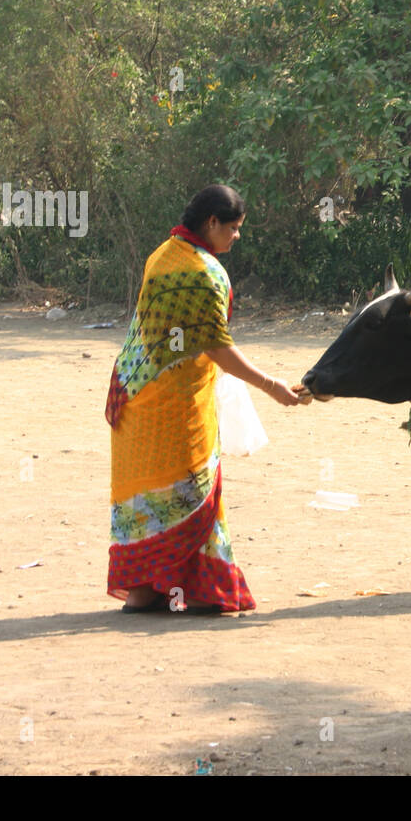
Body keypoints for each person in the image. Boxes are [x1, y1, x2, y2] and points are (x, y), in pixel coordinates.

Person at [104, 184, 309, 614]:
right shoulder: (204, 272)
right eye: (233, 228)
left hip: (133, 398)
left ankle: (146, 590)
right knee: (189, 497)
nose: (236, 236)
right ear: (211, 223)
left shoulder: (161, 256)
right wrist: (271, 386)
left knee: (145, 504)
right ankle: (195, 591)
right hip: (174, 411)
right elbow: (215, 346)